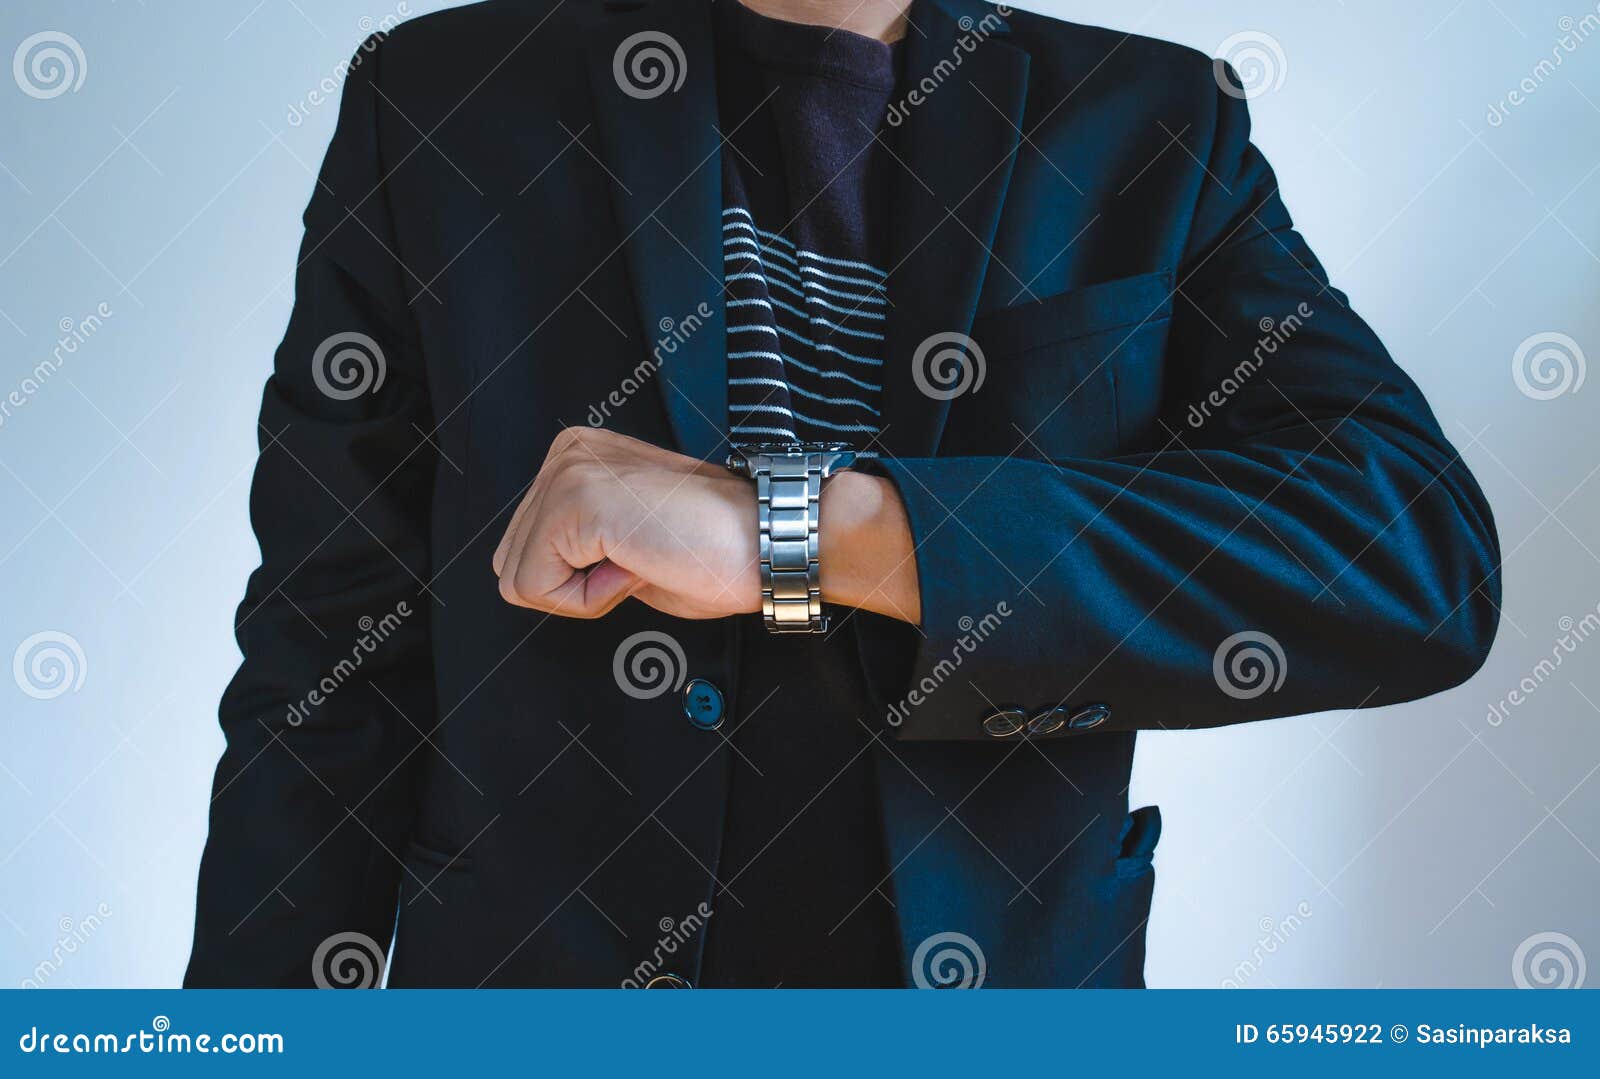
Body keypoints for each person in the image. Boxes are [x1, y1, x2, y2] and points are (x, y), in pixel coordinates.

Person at [186, 0, 1500, 988]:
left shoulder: (1148, 121)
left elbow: (1413, 557)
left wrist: (795, 535)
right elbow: (329, 658)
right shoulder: (442, 100)